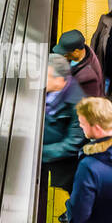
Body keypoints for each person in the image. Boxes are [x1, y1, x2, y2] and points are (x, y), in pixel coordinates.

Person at [43, 53, 86, 204]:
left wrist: (42, 152)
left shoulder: (78, 104)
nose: (41, 78)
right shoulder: (47, 88)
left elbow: (74, 142)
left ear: (59, 80)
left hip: (62, 163)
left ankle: (72, 208)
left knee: (72, 189)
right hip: (47, 153)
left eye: (46, 75)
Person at [52, 29, 103, 100]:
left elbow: (87, 104)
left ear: (76, 52)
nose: (63, 56)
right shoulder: (83, 50)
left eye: (65, 54)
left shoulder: (89, 78)